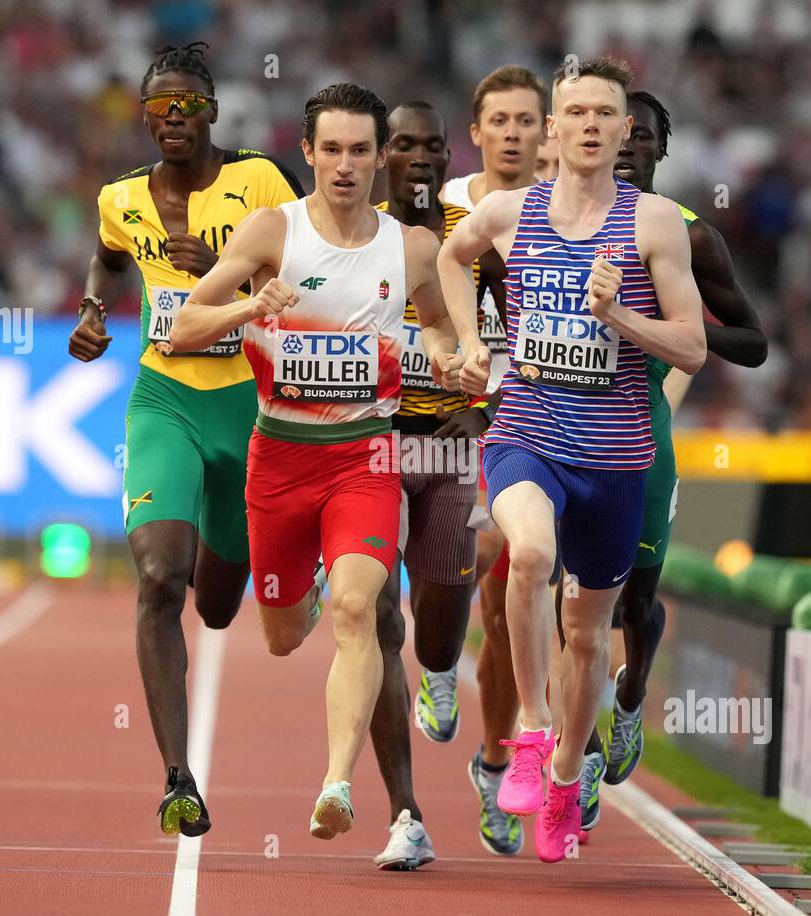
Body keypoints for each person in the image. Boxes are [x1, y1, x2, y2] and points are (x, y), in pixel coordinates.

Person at [167, 83, 486, 844]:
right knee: (281, 638)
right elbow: (183, 326)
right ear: (307, 152)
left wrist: (453, 361)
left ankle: (336, 783)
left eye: (361, 151)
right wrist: (250, 306)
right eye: (332, 149)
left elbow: (440, 329)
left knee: (359, 612)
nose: (346, 165)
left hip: (364, 459)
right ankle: (301, 591)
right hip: (278, 460)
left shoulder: (410, 247)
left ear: (381, 159)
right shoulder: (272, 230)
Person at [437, 56, 705, 863]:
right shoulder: (510, 212)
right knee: (529, 555)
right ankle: (529, 729)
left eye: (605, 114)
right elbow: (452, 259)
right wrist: (473, 340)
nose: (590, 125)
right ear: (554, 129)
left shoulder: (655, 223)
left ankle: (561, 778)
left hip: (617, 458)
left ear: (626, 130)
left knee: (587, 636)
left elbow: (692, 345)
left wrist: (618, 314)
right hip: (527, 431)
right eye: (576, 112)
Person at [68, 42, 302, 836]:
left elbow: (314, 268)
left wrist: (230, 276)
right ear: (145, 115)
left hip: (248, 405)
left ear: (212, 112)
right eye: (162, 106)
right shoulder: (118, 198)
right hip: (163, 397)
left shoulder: (263, 182)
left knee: (219, 602)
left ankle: (227, 566)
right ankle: (177, 780)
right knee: (161, 577)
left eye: (191, 105)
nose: (176, 118)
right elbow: (104, 264)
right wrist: (93, 310)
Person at [574, 90, 768, 833]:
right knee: (570, 607)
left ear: (659, 148)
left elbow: (753, 343)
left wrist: (677, 332)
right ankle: (582, 751)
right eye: (610, 128)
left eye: (640, 135)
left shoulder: (691, 236)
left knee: (631, 606)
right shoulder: (553, 217)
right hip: (558, 430)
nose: (622, 143)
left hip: (642, 436)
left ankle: (630, 700)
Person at [367, 100, 506, 868]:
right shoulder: (358, 233)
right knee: (381, 618)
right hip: (375, 446)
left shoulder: (476, 238)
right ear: (384, 154)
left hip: (452, 446)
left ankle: (443, 673)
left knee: (441, 613)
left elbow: (523, 337)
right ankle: (405, 816)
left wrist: (484, 417)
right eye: (403, 144)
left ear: (447, 155)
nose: (418, 157)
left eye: (431, 146)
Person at [438, 65, 546, 857]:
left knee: (527, 604)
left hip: (546, 413)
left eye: (525, 121)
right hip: (456, 412)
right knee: (475, 576)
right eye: (498, 121)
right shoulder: (443, 204)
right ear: (475, 132)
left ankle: (511, 755)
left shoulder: (575, 207)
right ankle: (440, 665)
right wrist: (453, 352)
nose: (512, 133)